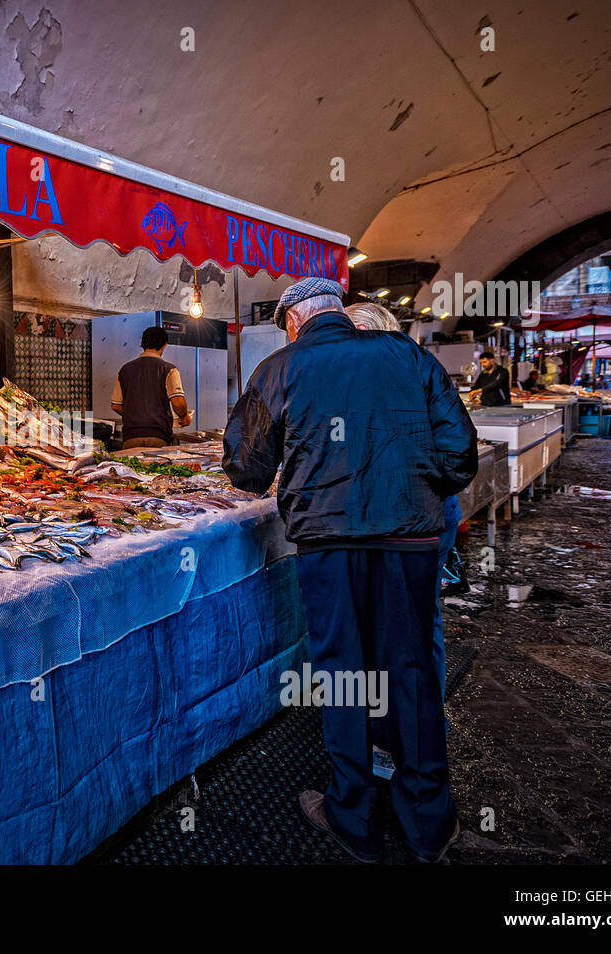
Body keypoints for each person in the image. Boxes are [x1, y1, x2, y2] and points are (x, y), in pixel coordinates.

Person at [224, 278, 478, 864]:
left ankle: (354, 815)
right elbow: (459, 451)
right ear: (338, 311)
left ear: (293, 319)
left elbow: (245, 468)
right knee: (409, 668)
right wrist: (408, 490)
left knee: (344, 672)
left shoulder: (282, 366)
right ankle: (428, 823)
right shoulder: (410, 355)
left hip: (329, 545)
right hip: (410, 542)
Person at [346, 301, 462, 706]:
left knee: (404, 621)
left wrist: (421, 491)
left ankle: (411, 727)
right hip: (421, 509)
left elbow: (456, 453)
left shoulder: (380, 374)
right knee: (408, 618)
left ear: (365, 332)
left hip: (409, 515)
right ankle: (411, 725)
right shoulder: (421, 365)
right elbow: (457, 449)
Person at [111, 326, 191, 449]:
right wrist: (184, 417)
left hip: (130, 438)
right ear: (165, 345)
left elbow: (116, 405)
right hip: (158, 436)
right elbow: (179, 404)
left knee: (132, 468)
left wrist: (135, 415)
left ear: (143, 344)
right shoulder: (169, 369)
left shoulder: (125, 370)